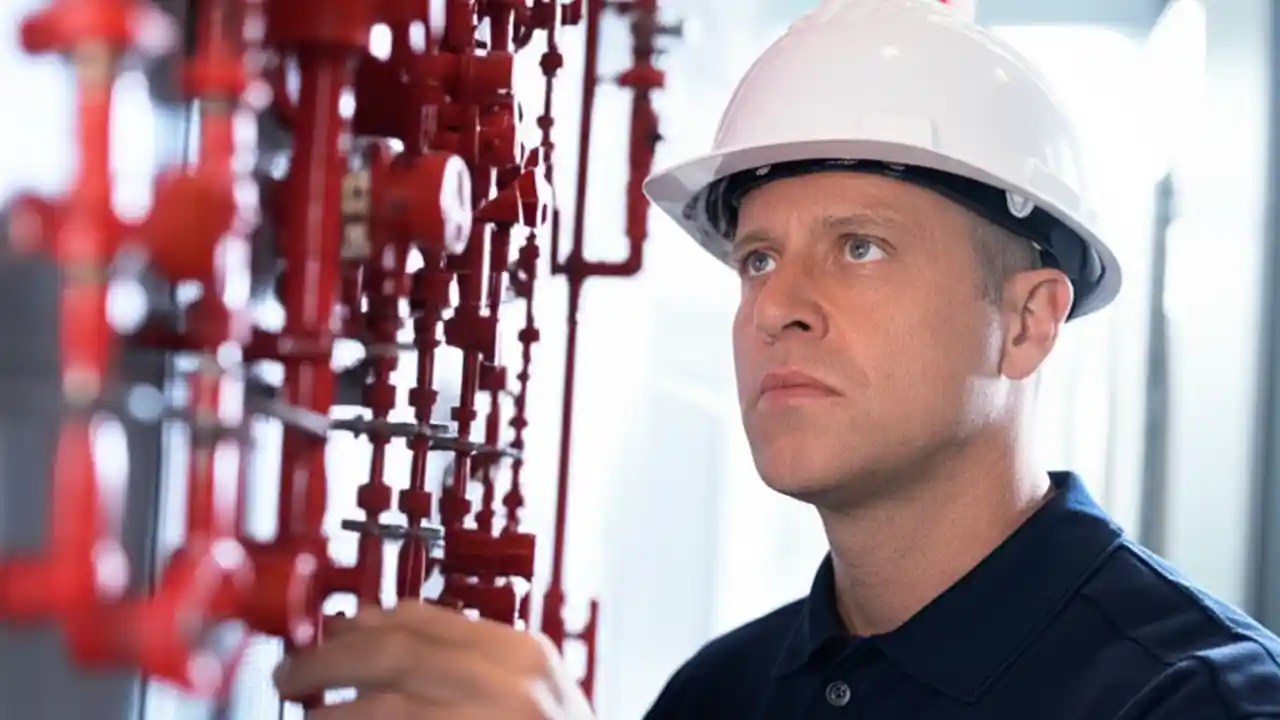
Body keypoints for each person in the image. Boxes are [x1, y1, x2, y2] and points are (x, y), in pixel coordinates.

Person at [272, 0, 1280, 717]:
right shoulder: (722, 692)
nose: (778, 309)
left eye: (859, 248)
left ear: (1025, 323)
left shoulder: (1195, 696)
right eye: (757, 258)